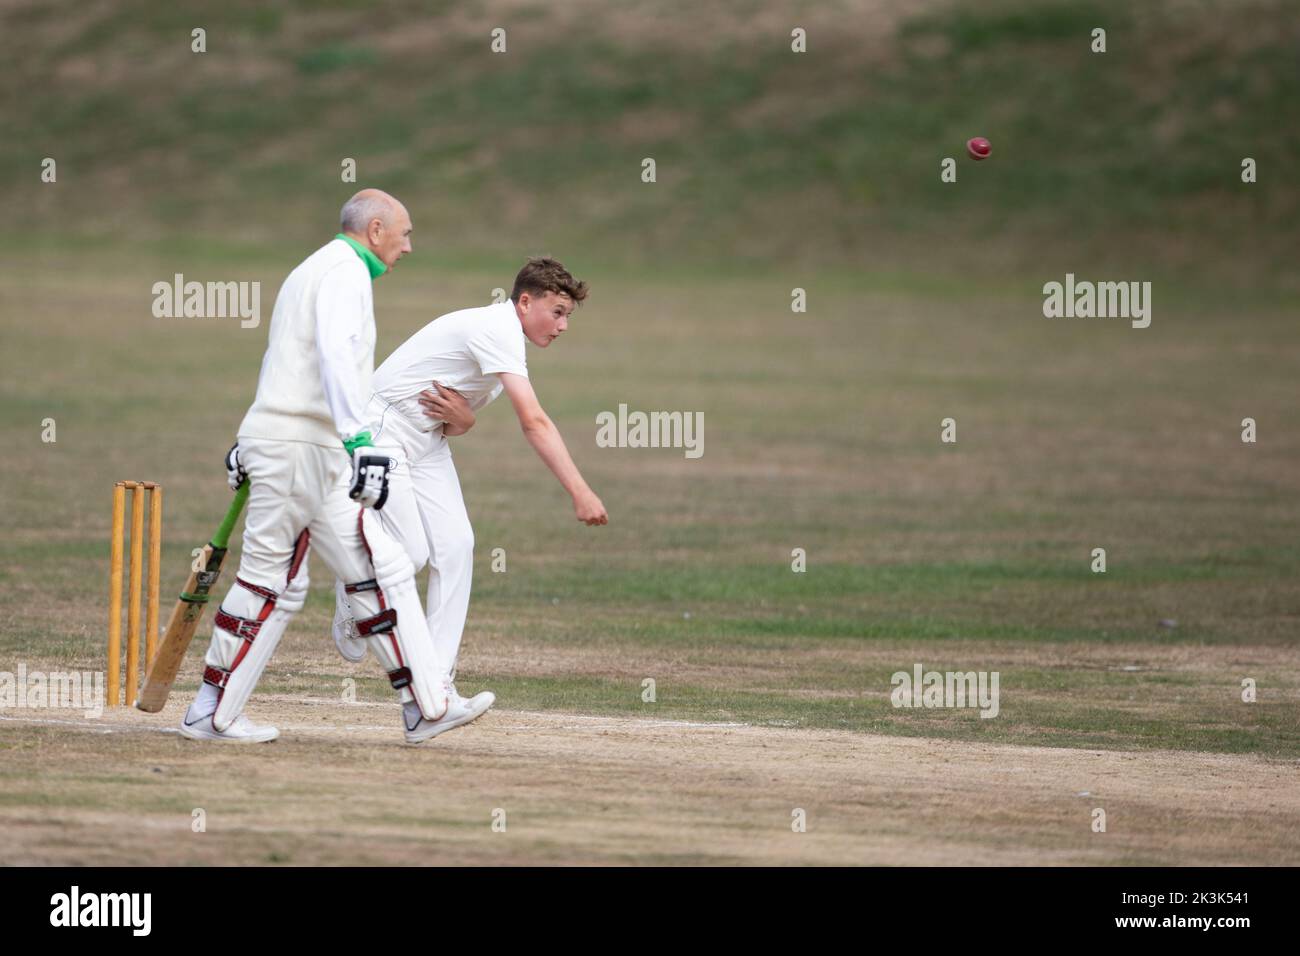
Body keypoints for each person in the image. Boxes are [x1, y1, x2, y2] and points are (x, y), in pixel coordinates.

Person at [180, 189, 493, 744]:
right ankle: (210, 710)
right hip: (303, 449)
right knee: (272, 583)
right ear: (375, 230)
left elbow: (283, 359)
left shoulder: (314, 268)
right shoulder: (344, 272)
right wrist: (360, 440)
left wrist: (251, 435)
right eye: (406, 233)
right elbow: (335, 357)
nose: (409, 246)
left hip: (302, 446)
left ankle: (426, 705)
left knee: (385, 569)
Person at [331, 257, 608, 693]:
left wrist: (467, 421)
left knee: (457, 546)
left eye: (568, 316)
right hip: (383, 429)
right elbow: (534, 421)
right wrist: (581, 491)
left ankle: (435, 679)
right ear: (524, 302)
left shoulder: (505, 351)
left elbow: (451, 425)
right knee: (412, 554)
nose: (562, 326)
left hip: (425, 442)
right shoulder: (496, 329)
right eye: (557, 313)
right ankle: (353, 588)